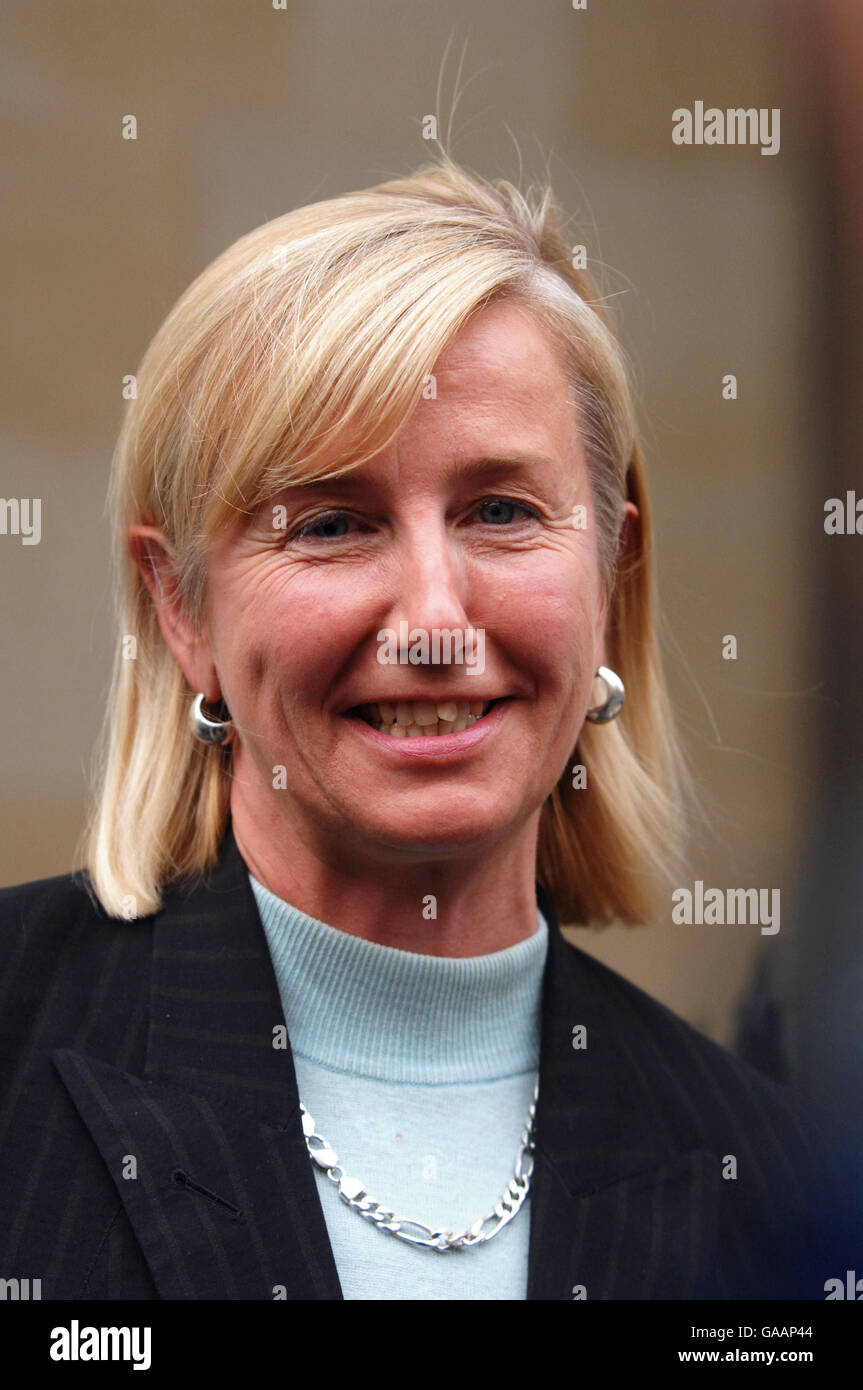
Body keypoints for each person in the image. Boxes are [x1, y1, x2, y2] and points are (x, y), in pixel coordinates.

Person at [0, 156, 851, 1300]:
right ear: (179, 607)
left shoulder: (778, 1186)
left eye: (500, 511)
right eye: (334, 523)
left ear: (612, 573)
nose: (436, 623)